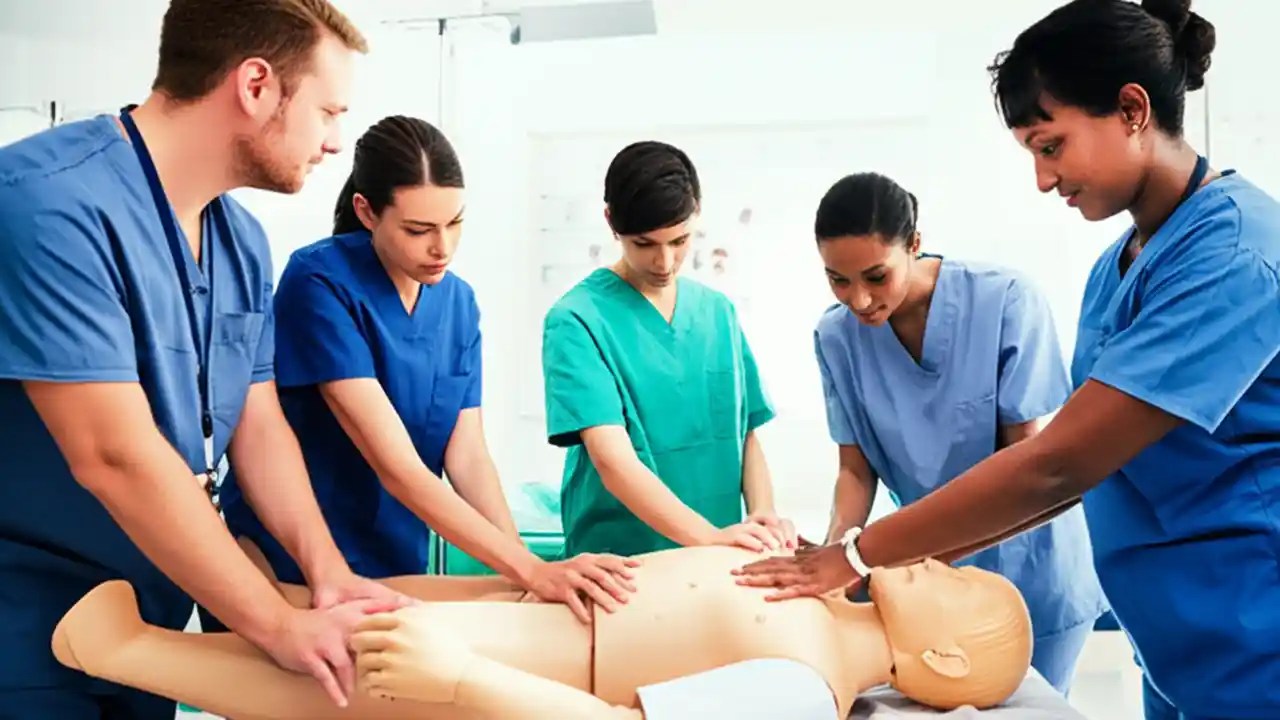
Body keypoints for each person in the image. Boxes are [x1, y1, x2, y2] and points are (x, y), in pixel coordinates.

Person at [735, 1, 1280, 718]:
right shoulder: (1120, 267)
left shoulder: (1234, 253)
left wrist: (860, 554)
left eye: (1050, 146)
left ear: (1131, 109)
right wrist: (868, 556)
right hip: (1179, 639)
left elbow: (1058, 462)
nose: (1043, 180)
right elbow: (1067, 477)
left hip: (1254, 630)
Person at [0, 1, 409, 717]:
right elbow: (111, 453)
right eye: (328, 112)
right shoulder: (46, 204)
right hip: (26, 627)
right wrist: (277, 624)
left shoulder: (241, 242)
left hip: (150, 621)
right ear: (256, 87)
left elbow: (258, 424)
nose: (336, 143)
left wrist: (327, 571)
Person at [219, 115, 638, 625]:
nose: (443, 247)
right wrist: (529, 570)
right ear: (366, 212)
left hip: (394, 556)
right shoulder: (319, 282)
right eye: (419, 230)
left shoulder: (457, 303)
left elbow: (467, 456)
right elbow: (397, 467)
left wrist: (524, 576)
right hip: (295, 557)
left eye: (455, 223)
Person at [51, 545, 1035, 720]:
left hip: (556, 665)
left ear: (943, 658)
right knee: (323, 642)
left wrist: (464, 677)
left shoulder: (804, 693)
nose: (937, 559)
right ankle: (152, 648)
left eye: (957, 582)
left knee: (342, 679)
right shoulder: (815, 595)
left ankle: (125, 655)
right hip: (551, 616)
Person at [809, 171, 1106, 694]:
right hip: (928, 579)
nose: (858, 300)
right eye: (838, 279)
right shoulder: (836, 337)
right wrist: (832, 560)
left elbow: (1031, 463)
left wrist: (886, 559)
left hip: (1032, 565)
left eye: (876, 276)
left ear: (915, 245)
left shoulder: (1007, 301)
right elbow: (855, 473)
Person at [541, 140, 795, 559]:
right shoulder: (576, 319)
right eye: (644, 244)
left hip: (719, 562)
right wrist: (709, 537)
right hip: (624, 564)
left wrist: (762, 511)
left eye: (679, 241)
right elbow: (612, 460)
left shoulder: (717, 312)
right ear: (611, 222)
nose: (664, 261)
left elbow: (744, 431)